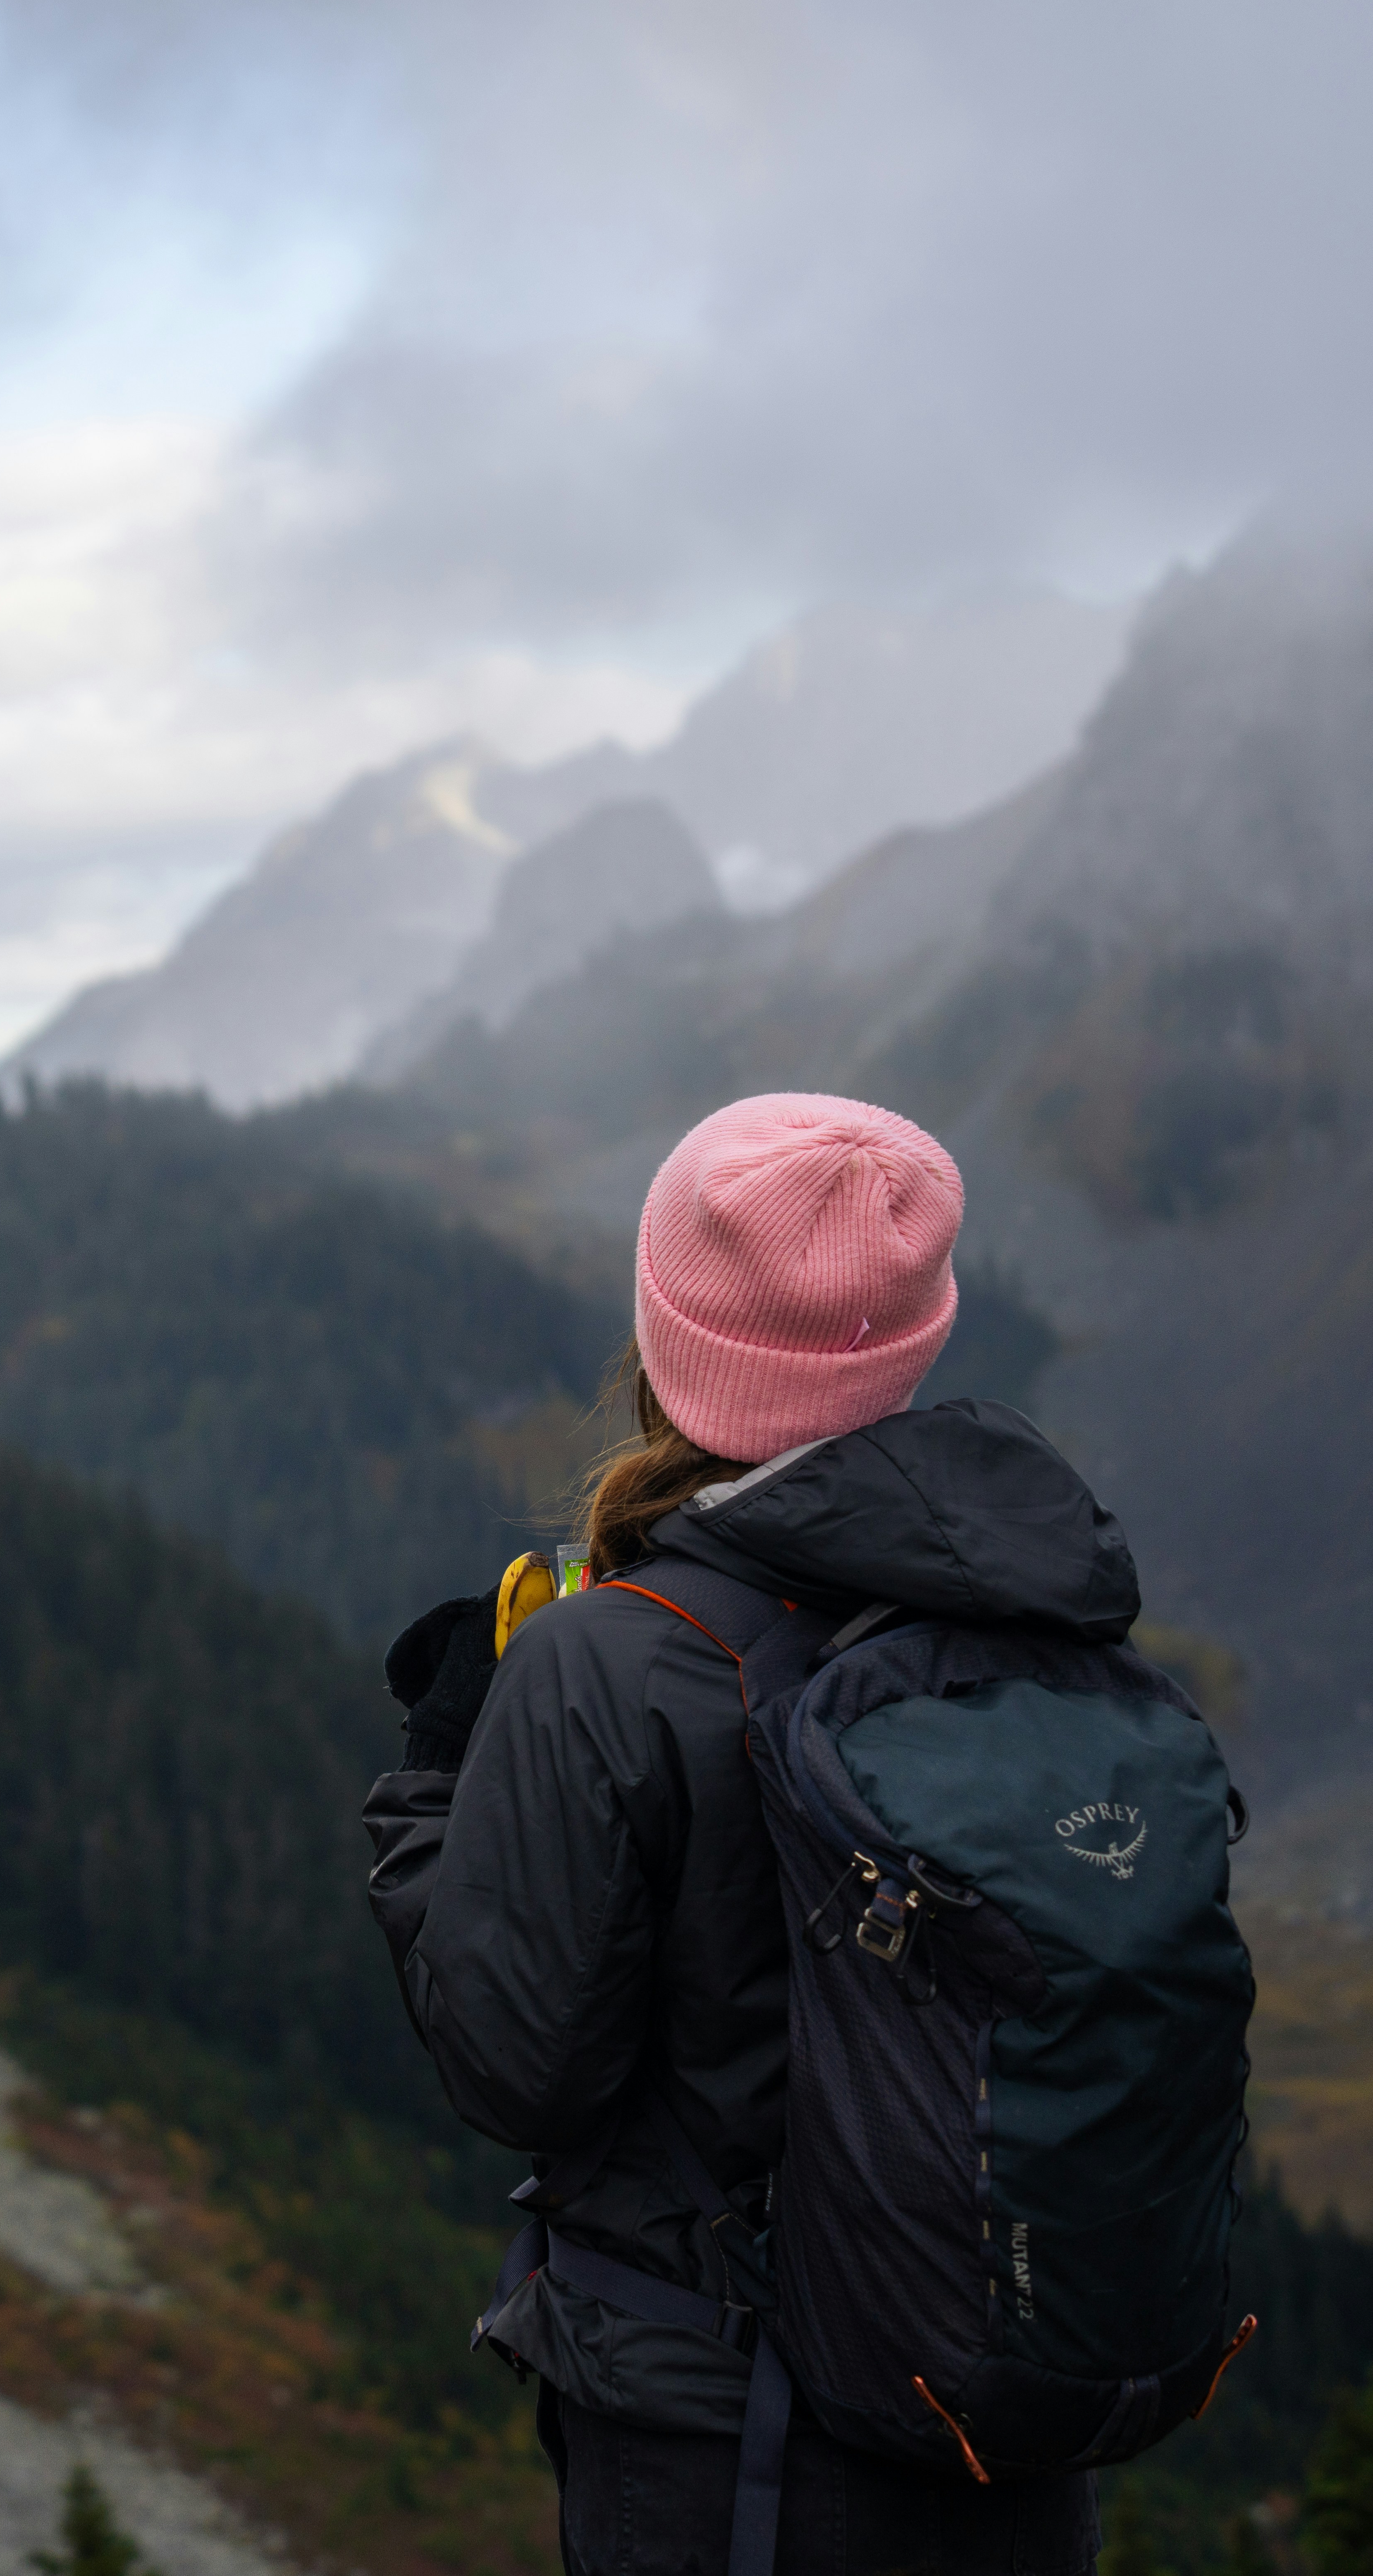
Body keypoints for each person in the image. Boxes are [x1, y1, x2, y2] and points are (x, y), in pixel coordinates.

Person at [364, 1092, 1138, 2576]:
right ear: (916, 1332)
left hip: (725, 2450)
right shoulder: (1039, 1604)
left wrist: (434, 1786)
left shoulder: (616, 1659)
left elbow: (514, 2061)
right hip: (1003, 2413)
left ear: (672, 1342)